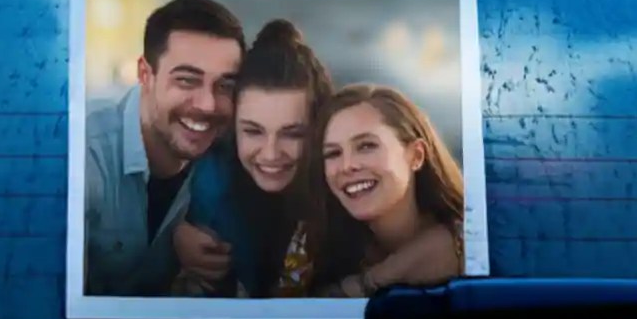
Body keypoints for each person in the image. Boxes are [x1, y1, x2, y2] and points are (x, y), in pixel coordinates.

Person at [173, 23, 460, 298]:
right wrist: (171, 237)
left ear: (319, 128)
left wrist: (365, 285)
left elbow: (454, 239)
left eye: (292, 133)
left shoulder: (347, 198)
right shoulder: (209, 179)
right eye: (253, 131)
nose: (271, 152)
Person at [82, 0, 244, 297]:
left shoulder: (235, 157)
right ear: (145, 74)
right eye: (186, 80)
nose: (208, 105)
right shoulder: (85, 154)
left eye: (225, 86)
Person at [309, 83, 465, 298]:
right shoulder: (318, 255)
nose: (347, 165)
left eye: (366, 146)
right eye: (333, 153)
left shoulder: (479, 249)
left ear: (416, 156)